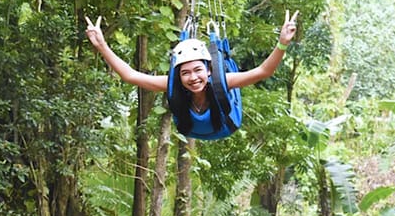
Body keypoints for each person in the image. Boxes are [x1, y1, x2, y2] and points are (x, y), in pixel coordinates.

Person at [84, 11, 298, 138]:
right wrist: (102, 45)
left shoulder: (222, 82)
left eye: (198, 70)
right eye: (185, 73)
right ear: (179, 75)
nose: (193, 78)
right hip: (191, 129)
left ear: (209, 70)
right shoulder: (173, 84)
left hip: (226, 127)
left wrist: (282, 43)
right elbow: (130, 76)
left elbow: (263, 71)